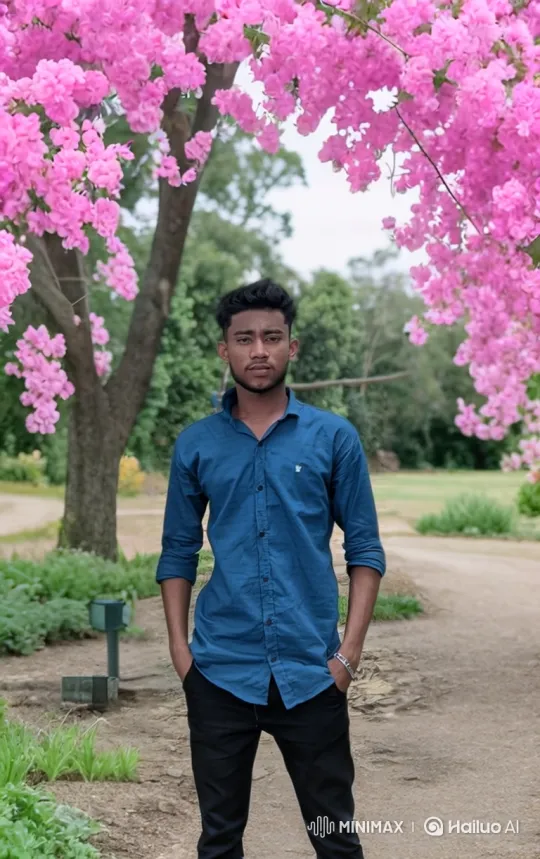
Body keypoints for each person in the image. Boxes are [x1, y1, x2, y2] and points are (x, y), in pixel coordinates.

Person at [156, 278, 386, 859]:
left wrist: (346, 658)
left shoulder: (334, 438)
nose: (258, 350)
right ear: (224, 350)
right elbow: (177, 553)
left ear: (293, 346)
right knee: (219, 840)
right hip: (219, 672)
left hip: (312, 674)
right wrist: (182, 654)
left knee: (335, 840)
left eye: (271, 337)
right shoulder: (197, 445)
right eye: (244, 338)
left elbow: (365, 551)